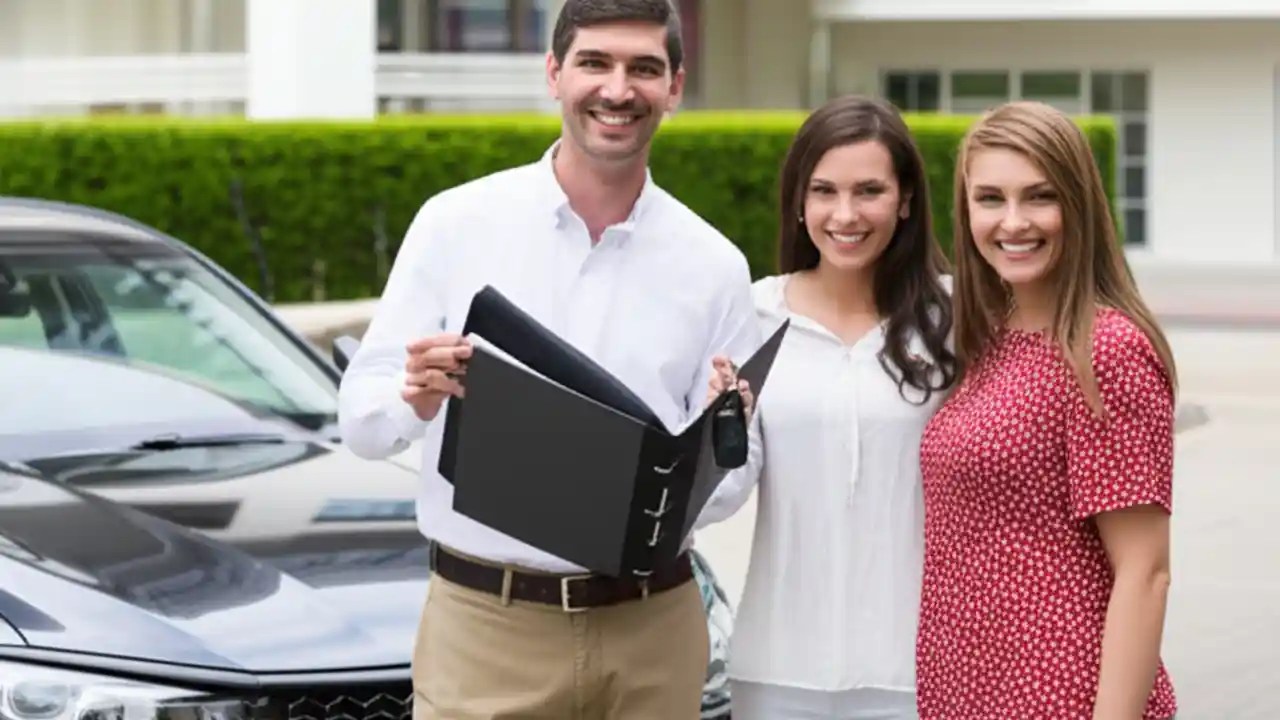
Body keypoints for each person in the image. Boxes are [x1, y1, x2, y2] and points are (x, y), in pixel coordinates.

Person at [336, 1, 761, 718]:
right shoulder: (455, 224)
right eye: (595, 63)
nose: (618, 89)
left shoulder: (714, 265)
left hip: (653, 630)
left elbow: (735, 483)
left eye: (644, 69)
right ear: (555, 73)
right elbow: (362, 421)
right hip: (488, 627)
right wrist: (414, 395)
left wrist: (724, 439)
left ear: (676, 86)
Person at [915, 100, 1179, 719]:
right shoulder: (993, 336)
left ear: (1079, 205)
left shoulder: (1105, 350)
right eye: (990, 199)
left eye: (1039, 196)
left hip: (1063, 696)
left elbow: (1145, 573)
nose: (1013, 222)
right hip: (968, 691)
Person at [696, 95, 957, 719]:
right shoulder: (754, 316)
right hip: (780, 672)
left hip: (925, 669)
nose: (845, 214)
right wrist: (713, 431)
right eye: (824, 191)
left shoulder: (956, 319)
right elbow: (721, 497)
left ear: (906, 201)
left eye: (869, 190)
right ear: (799, 201)